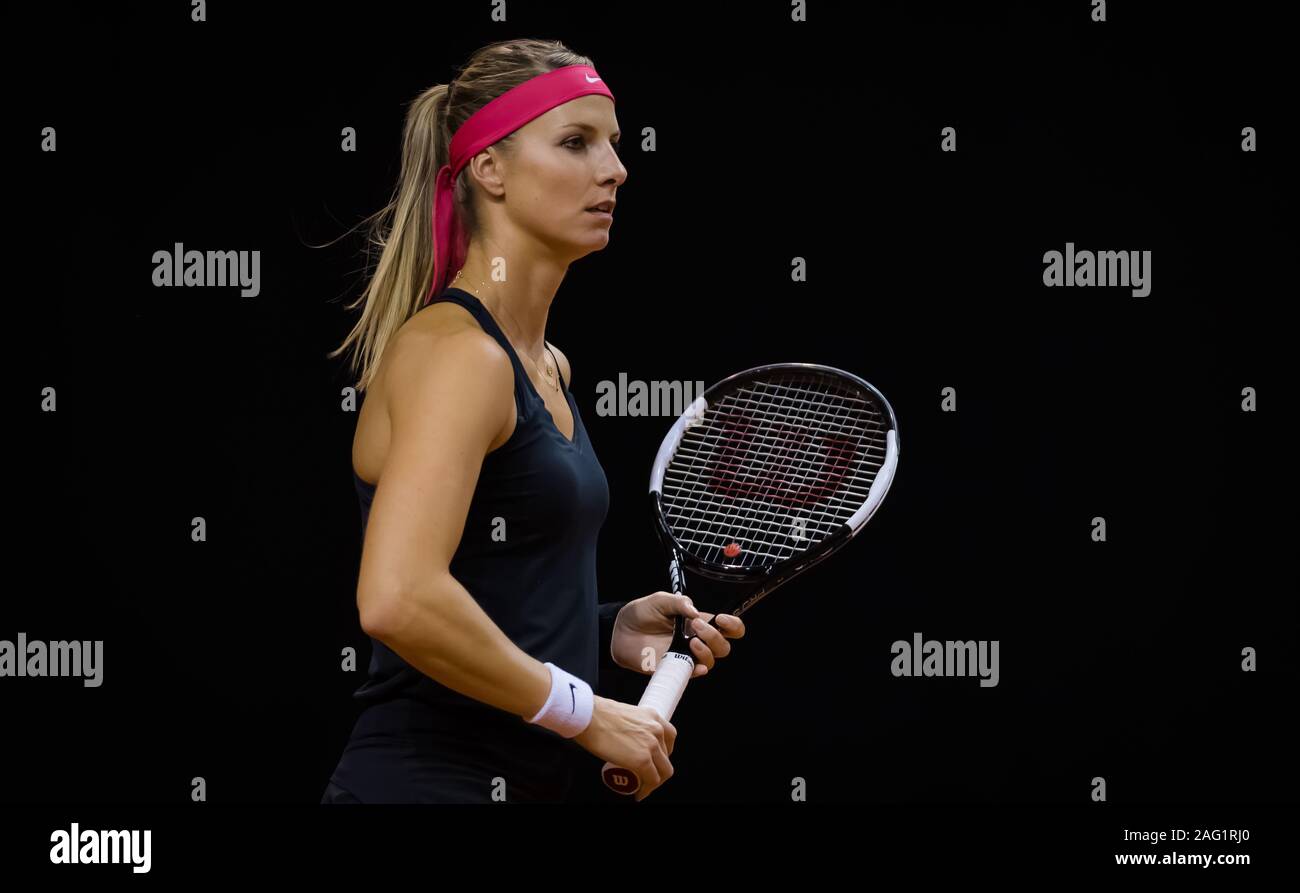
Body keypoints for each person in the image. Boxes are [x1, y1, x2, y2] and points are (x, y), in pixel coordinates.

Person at [321, 38, 744, 804]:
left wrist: (604, 627)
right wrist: (585, 714)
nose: (615, 169)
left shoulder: (546, 363)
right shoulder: (459, 357)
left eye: (613, 144)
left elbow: (495, 584)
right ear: (490, 169)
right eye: (577, 143)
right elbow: (398, 595)